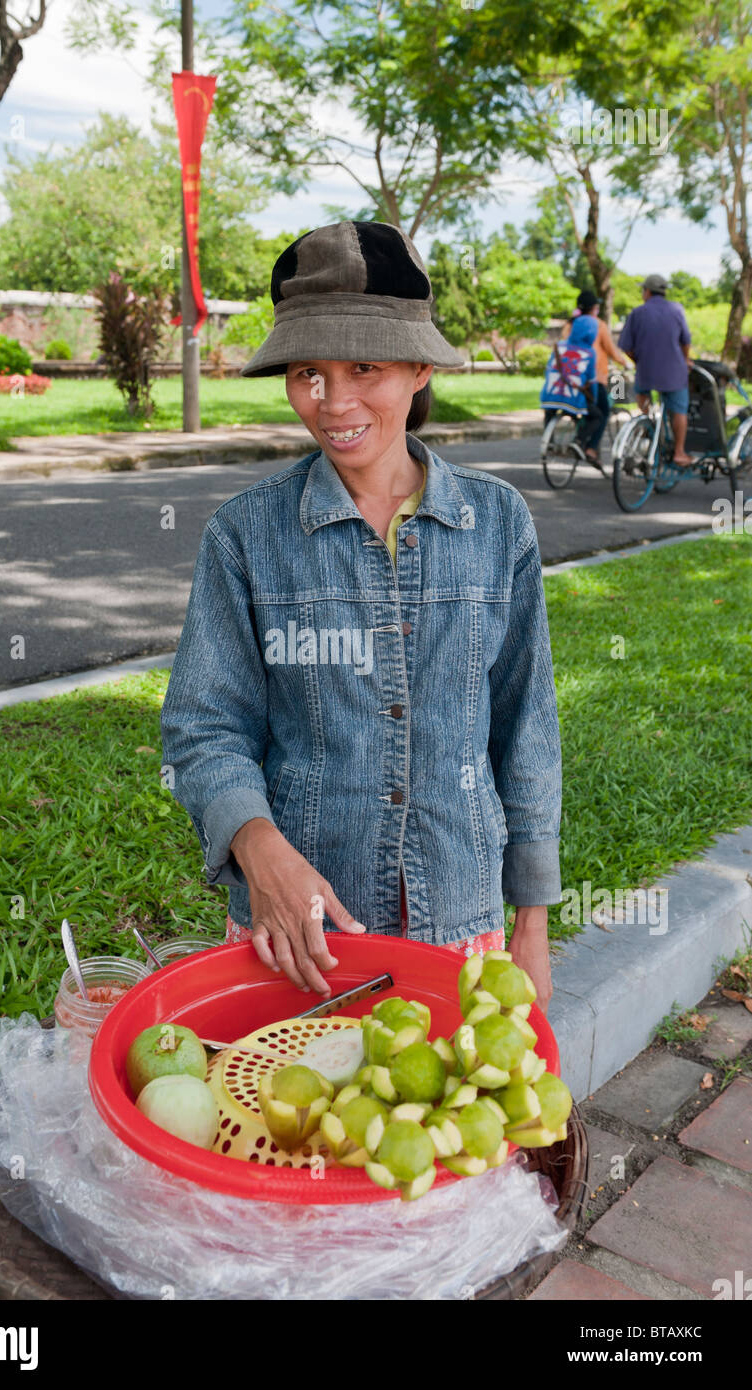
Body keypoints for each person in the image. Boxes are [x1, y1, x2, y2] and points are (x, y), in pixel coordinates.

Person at [160, 221, 563, 1011]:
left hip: (461, 919)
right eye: (307, 371)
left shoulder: (497, 523)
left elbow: (525, 729)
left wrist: (531, 928)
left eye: (365, 367)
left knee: (441, 1127)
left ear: (418, 369)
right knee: (297, 1125)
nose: (332, 401)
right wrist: (258, 846)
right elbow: (202, 727)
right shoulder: (245, 536)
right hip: (300, 933)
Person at [618, 273, 693, 465]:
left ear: (648, 291)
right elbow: (685, 341)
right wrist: (685, 361)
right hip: (674, 373)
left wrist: (639, 361)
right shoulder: (676, 310)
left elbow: (626, 346)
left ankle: (647, 423)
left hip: (646, 371)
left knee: (642, 394)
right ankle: (679, 452)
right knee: (679, 410)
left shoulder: (637, 313)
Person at [571, 290, 630, 464]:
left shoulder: (571, 324)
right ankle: (591, 447)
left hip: (573, 378)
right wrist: (626, 363)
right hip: (594, 377)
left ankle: (580, 438)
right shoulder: (598, 325)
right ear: (594, 308)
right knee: (603, 412)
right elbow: (612, 350)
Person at [540, 313, 600, 459]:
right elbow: (591, 380)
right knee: (597, 416)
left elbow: (549, 369)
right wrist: (594, 398)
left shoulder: (559, 346)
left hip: (550, 394)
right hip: (572, 398)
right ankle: (578, 441)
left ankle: (550, 442)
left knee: (549, 412)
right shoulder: (589, 352)